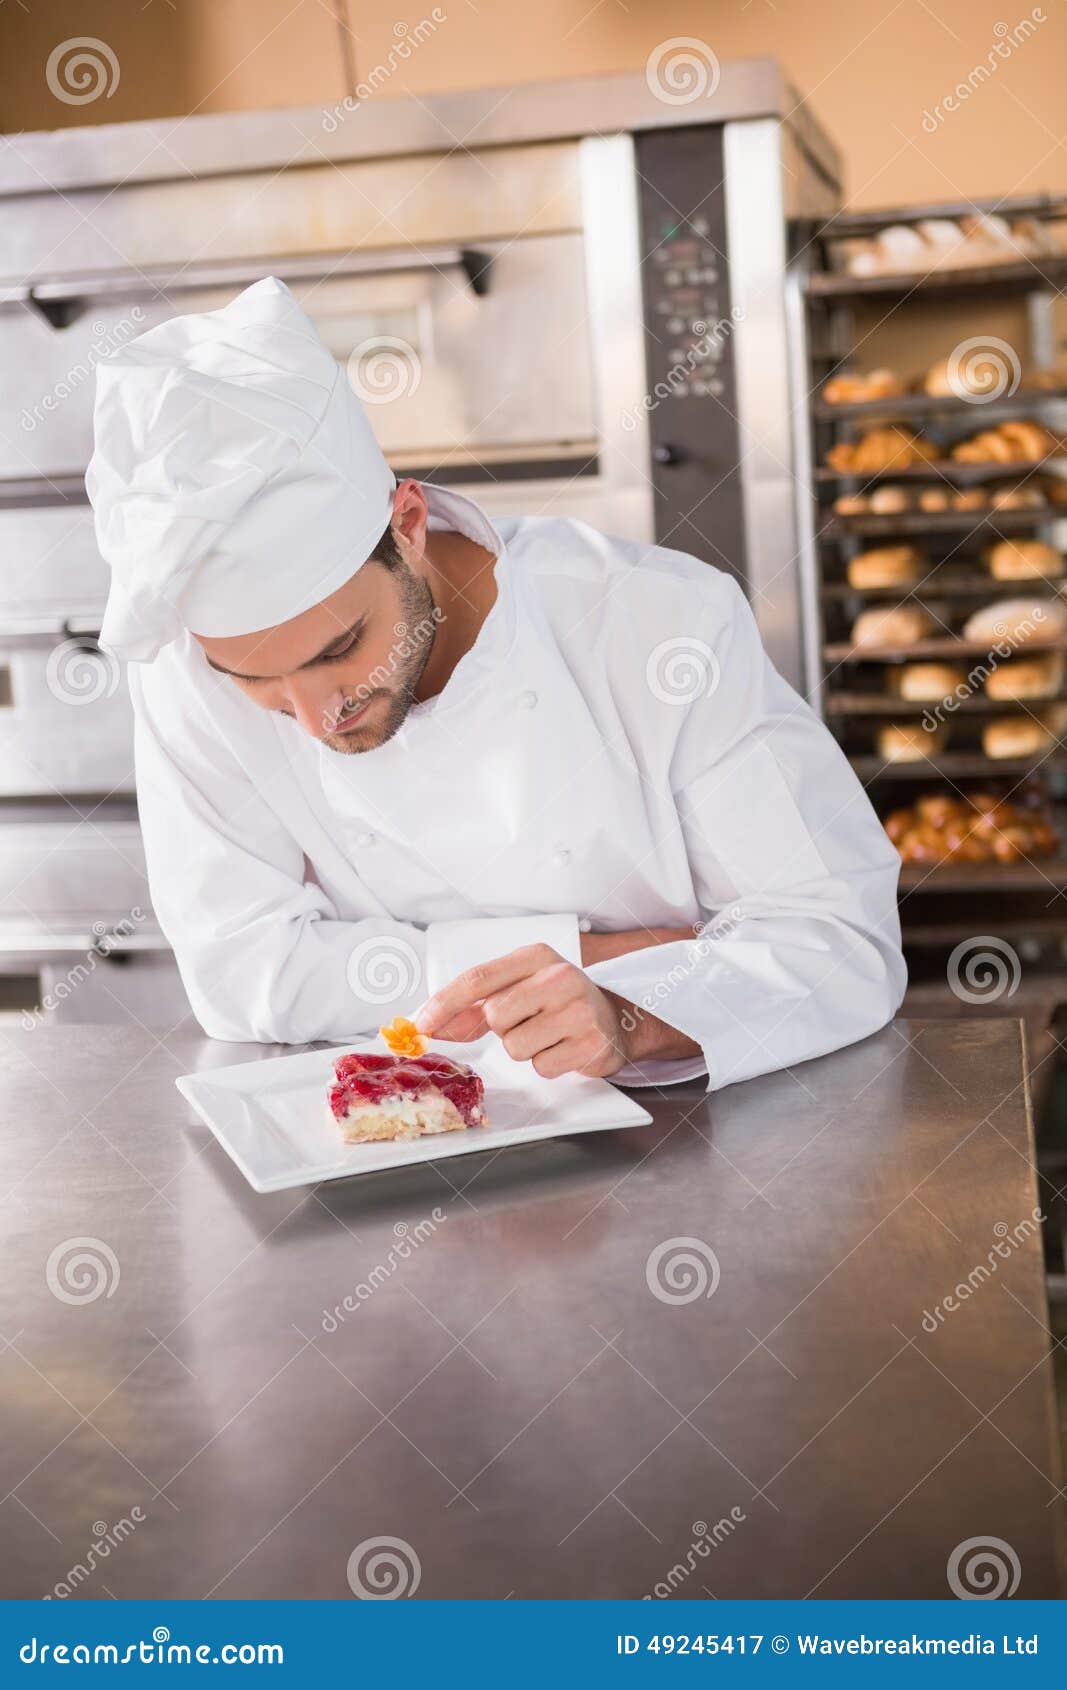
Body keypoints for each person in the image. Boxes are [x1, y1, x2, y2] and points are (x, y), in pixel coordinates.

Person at [87, 277, 905, 1091]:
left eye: (340, 647)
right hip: (385, 1146)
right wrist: (594, 958)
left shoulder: (656, 624)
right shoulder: (188, 674)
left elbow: (838, 939)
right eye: (259, 684)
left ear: (407, 526)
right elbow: (242, 975)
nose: (315, 718)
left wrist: (631, 1016)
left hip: (686, 1142)